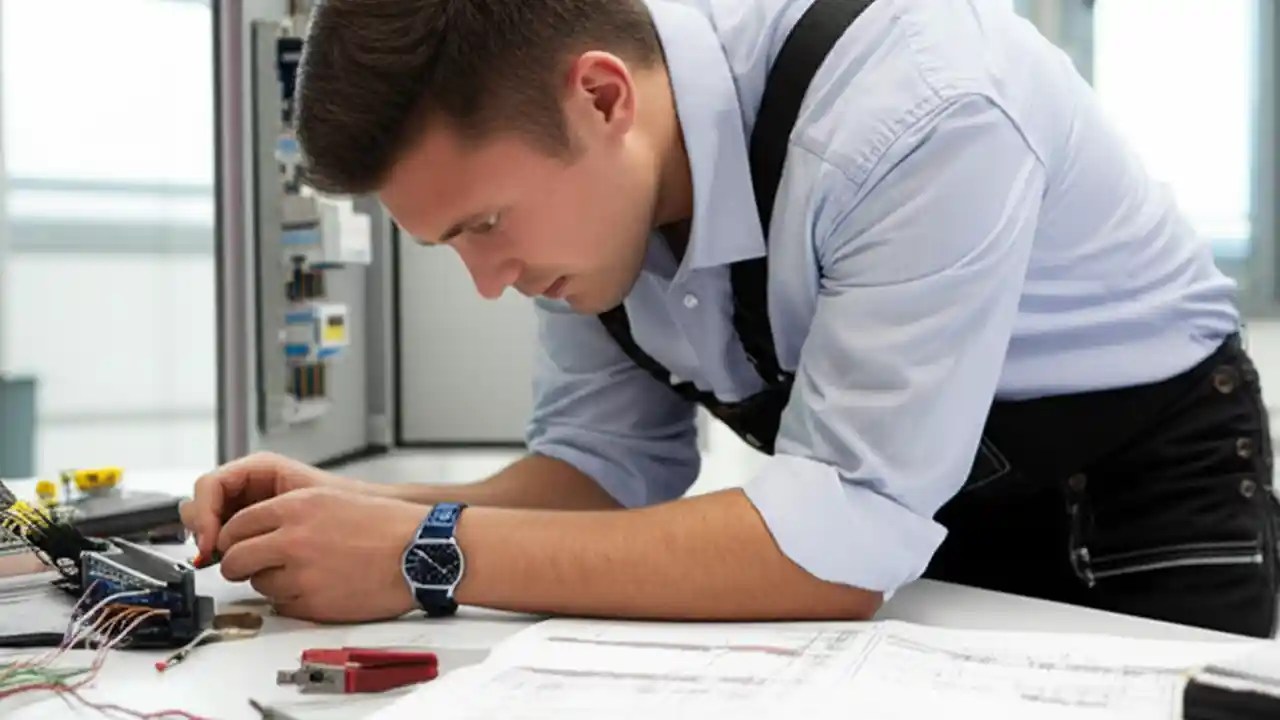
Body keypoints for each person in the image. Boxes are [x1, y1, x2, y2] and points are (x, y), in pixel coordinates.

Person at [180, 0, 1280, 637]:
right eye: (450, 242)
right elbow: (602, 471)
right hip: (898, 529)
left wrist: (424, 551)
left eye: (485, 223)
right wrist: (349, 510)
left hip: (1125, 511)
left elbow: (839, 539)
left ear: (601, 96)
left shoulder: (918, 108)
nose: (487, 279)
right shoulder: (589, 205)